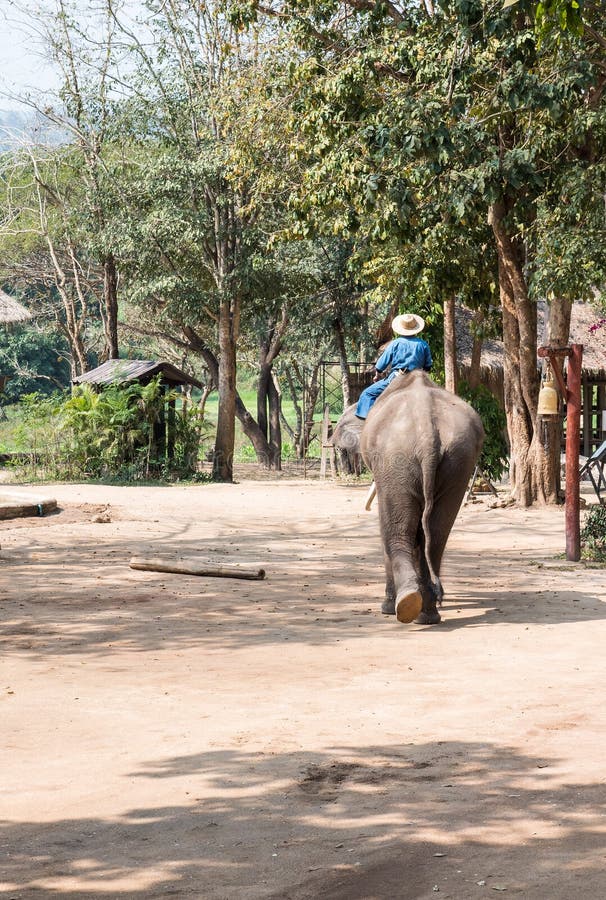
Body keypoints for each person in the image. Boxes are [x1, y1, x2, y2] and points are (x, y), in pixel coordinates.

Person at [355, 312, 432, 419]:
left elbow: (381, 365)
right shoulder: (423, 344)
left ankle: (367, 421)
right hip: (417, 379)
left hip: (397, 377)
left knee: (367, 394)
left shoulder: (395, 343)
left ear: (401, 328)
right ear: (415, 329)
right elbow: (428, 366)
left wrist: (377, 374)